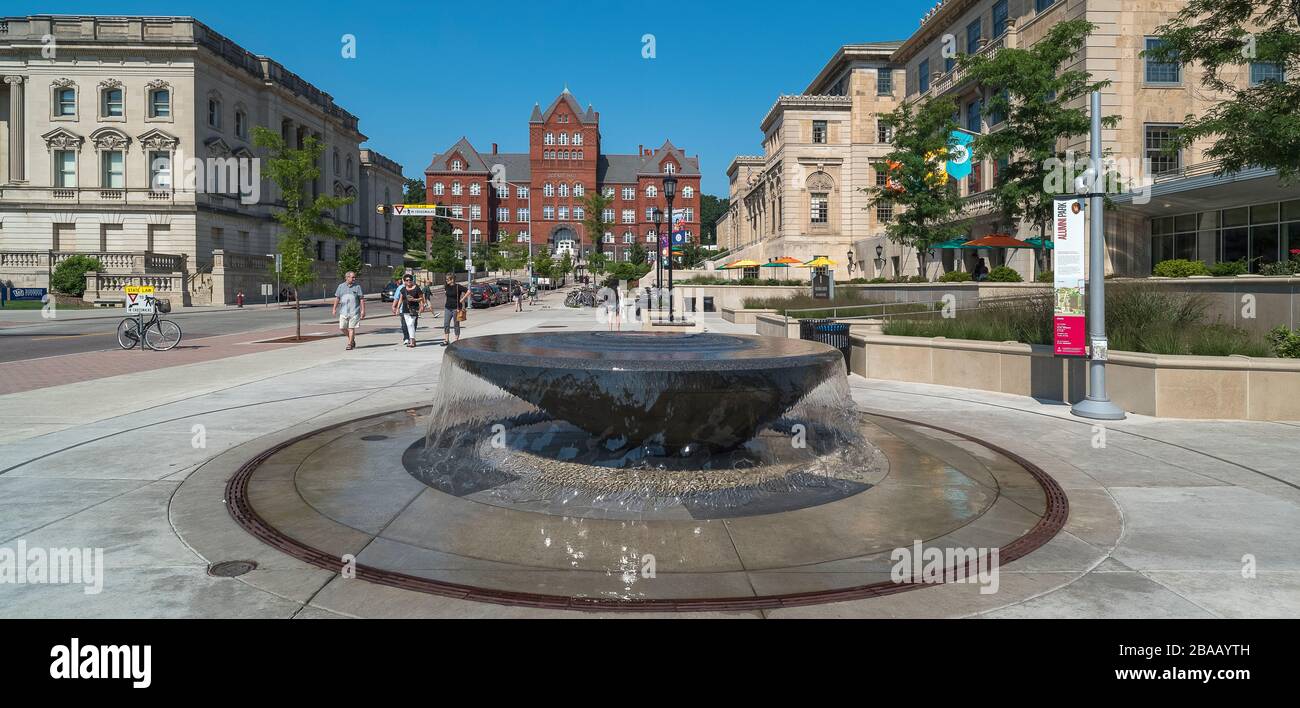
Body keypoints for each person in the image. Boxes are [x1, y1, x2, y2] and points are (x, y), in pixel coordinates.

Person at [332, 271, 365, 351]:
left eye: (354, 277)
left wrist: (363, 310)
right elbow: (337, 298)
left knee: (351, 328)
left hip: (354, 312)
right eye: (352, 277)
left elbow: (361, 299)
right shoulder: (340, 286)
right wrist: (334, 308)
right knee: (342, 328)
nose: (354, 279)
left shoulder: (357, 287)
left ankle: (350, 344)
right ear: (347, 278)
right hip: (343, 312)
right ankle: (352, 339)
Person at [392, 273, 426, 348]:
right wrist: (397, 308)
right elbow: (400, 299)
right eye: (407, 280)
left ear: (412, 280)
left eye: (410, 280)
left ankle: (412, 341)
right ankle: (412, 341)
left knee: (411, 324)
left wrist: (416, 301)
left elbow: (421, 298)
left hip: (414, 308)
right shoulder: (403, 289)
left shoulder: (416, 288)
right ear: (404, 281)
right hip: (405, 309)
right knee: (409, 325)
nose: (408, 281)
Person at [441, 275, 468, 346]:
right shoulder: (446, 286)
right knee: (446, 324)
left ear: (452, 279)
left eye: (448, 279)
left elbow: (468, 291)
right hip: (447, 308)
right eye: (446, 279)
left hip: (456, 308)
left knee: (456, 324)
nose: (446, 280)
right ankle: (446, 340)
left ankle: (456, 340)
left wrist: (462, 299)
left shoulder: (458, 286)